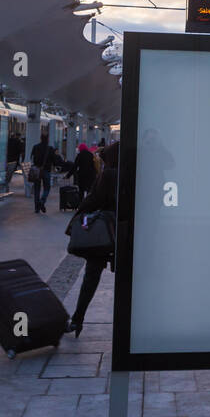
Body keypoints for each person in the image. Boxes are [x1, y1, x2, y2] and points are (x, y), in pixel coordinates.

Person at [67, 141, 120, 337]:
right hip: (123, 234)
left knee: (91, 277)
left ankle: (77, 319)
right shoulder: (131, 173)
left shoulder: (108, 174)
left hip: (103, 234)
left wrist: (75, 220)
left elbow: (93, 200)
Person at [28, 131, 58, 213]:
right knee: (47, 188)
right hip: (46, 170)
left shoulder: (35, 147)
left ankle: (36, 208)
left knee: (37, 189)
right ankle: (42, 201)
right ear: (47, 139)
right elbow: (54, 160)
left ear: (40, 139)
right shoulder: (50, 149)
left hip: (37, 170)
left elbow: (32, 157)